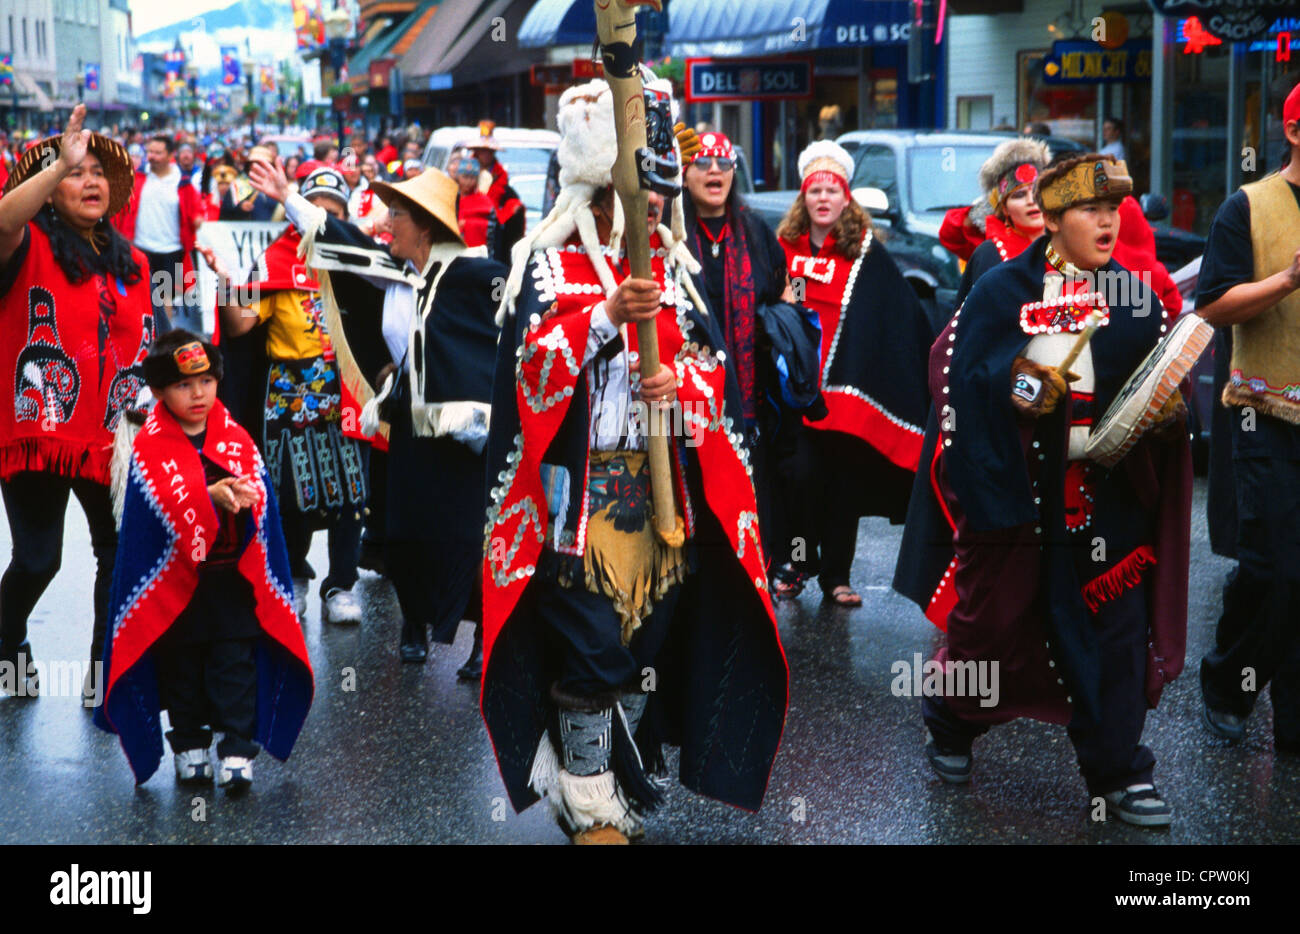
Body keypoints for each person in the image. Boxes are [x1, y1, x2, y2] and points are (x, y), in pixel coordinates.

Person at [481, 75, 787, 845]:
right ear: (596, 188)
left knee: (645, 646)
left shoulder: (679, 274)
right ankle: (589, 808)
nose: (653, 205)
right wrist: (604, 318)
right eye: (635, 190)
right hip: (573, 507)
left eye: (658, 190)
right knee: (590, 648)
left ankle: (613, 774)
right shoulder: (544, 268)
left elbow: (716, 384)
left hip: (663, 504)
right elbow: (527, 377)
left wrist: (677, 382)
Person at [894, 154, 1192, 827]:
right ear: (1053, 220)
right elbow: (967, 386)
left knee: (1116, 636)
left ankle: (1119, 770)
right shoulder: (1002, 290)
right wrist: (1024, 390)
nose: (1107, 222)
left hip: (1105, 505)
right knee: (990, 631)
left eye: (1114, 210)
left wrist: (1171, 413)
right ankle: (950, 718)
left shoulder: (1135, 294)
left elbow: (1157, 381)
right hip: (1017, 501)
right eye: (1091, 210)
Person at [247, 156, 504, 668]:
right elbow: (339, 242)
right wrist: (286, 196)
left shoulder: (476, 275)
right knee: (404, 534)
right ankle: (414, 620)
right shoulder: (390, 272)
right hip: (405, 420)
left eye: (398, 216)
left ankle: (482, 640)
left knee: (466, 535)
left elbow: (516, 313)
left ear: (425, 226)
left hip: (461, 433)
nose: (386, 223)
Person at [94, 330, 313, 790]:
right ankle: (190, 746)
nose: (199, 394)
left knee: (235, 664)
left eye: (207, 381)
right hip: (174, 585)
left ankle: (237, 749)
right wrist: (206, 497)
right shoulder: (150, 446)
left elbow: (264, 510)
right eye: (183, 385)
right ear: (157, 392)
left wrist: (243, 497)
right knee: (183, 668)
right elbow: (150, 523)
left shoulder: (236, 438)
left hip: (231, 579)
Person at [0, 104, 154, 695]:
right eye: (74, 171)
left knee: (118, 554)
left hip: (115, 435)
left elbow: (148, 349)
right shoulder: (23, 243)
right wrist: (52, 163)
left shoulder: (135, 263)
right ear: (46, 190)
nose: (89, 181)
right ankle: (10, 640)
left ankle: (104, 673)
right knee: (39, 561)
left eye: (96, 172)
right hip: (40, 430)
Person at [203, 166, 369, 625]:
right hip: (287, 395)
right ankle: (294, 574)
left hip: (344, 396)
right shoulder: (276, 260)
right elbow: (240, 326)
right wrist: (222, 280)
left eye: (330, 213)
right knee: (290, 494)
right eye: (312, 209)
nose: (320, 219)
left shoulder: (355, 262)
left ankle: (342, 583)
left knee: (350, 493)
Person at [772, 140, 933, 605]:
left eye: (832, 190)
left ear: (847, 199)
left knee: (843, 486)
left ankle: (836, 578)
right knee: (799, 480)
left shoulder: (863, 253)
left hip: (847, 399)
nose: (823, 198)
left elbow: (898, 318)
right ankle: (802, 561)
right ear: (803, 198)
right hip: (795, 393)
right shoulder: (785, 248)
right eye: (814, 190)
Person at [1194, 83, 1300, 754]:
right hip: (1268, 416)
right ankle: (1228, 681)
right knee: (1276, 570)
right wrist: (1287, 280)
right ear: (1295, 130)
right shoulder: (1249, 207)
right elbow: (1212, 305)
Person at [678, 128, 823, 581]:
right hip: (688, 393)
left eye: (724, 164)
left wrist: (792, 312)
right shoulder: (673, 234)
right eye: (703, 164)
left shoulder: (756, 230)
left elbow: (788, 282)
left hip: (753, 393)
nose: (714, 171)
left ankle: (773, 567)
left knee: (772, 481)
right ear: (685, 174)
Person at [939, 137, 1051, 292]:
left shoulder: (1067, 241)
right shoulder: (991, 252)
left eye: (1037, 192)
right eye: (1018, 195)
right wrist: (981, 211)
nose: (1031, 201)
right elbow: (950, 233)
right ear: (1005, 209)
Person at [121, 134, 202, 325]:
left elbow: (195, 211)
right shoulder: (138, 177)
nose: (152, 156)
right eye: (149, 151)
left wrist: (197, 220)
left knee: (164, 296)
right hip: (140, 248)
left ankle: (163, 337)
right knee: (138, 294)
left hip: (170, 250)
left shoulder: (182, 182)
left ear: (169, 155)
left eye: (157, 152)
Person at [467, 122, 526, 259]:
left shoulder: (502, 182)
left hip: (493, 235)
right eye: (482, 151)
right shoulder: (466, 175)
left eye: (488, 151)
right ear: (476, 152)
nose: (485, 155)